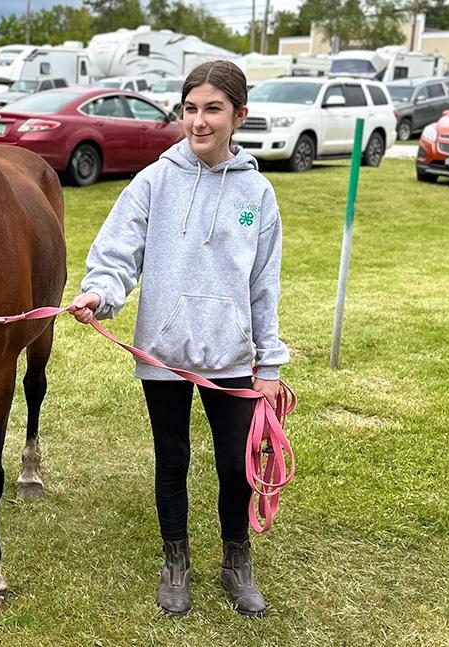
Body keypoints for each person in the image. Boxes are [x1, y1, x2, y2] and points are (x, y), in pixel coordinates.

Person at [69, 60, 289, 618]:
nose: (198, 121)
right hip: (162, 353)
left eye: (213, 109)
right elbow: (118, 253)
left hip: (232, 357)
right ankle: (176, 561)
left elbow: (264, 286)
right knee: (172, 461)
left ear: (239, 115)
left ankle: (236, 561)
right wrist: (100, 292)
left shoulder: (257, 195)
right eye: (190, 109)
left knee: (236, 467)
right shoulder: (154, 181)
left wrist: (269, 364)